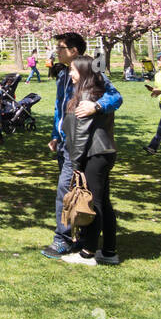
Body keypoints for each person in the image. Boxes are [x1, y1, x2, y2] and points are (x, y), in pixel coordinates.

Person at [42, 32, 123, 260]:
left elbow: (116, 97)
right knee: (81, 193)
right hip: (67, 140)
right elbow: (60, 109)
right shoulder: (63, 76)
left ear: (74, 51)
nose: (57, 51)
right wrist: (56, 134)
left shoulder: (92, 72)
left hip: (84, 145)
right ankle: (83, 238)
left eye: (61, 47)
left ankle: (63, 240)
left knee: (67, 191)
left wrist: (96, 106)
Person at [58, 57, 120, 266]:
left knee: (92, 202)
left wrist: (76, 165)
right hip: (104, 151)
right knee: (103, 201)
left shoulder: (86, 97)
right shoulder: (96, 93)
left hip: (94, 153)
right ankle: (109, 250)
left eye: (73, 70)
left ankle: (88, 251)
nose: (70, 74)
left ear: (84, 72)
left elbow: (82, 134)